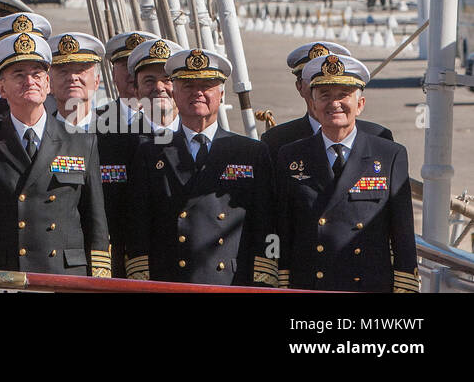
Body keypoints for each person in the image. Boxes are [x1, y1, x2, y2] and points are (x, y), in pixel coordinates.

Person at [0, 31, 111, 283]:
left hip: (64, 277)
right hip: (4, 276)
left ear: (47, 84)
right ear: (1, 87)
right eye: (19, 75)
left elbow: (96, 223)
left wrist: (99, 280)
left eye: (37, 75)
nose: (30, 81)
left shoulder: (80, 143)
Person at [125, 48, 276, 287]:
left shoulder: (250, 152)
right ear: (175, 93)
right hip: (171, 282)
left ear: (221, 93)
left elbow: (266, 224)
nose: (197, 93)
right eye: (187, 86)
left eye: (206, 85)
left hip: (232, 283)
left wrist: (264, 282)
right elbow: (138, 226)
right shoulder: (151, 153)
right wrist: (141, 281)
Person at [274, 54, 417, 292]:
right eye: (325, 96)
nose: (335, 103)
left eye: (343, 95)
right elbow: (283, 229)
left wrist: (405, 287)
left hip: (369, 286)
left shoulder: (389, 155)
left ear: (360, 105)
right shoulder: (290, 157)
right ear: (313, 104)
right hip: (310, 286)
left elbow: (403, 233)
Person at [50, 31, 148, 277]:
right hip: (54, 268)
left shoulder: (126, 139)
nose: (73, 77)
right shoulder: (36, 140)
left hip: (114, 267)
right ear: (49, 82)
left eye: (81, 71)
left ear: (96, 81)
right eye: (63, 71)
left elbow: (136, 213)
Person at [261, 41, 392, 157]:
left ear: (360, 103)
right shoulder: (277, 141)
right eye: (312, 79)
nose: (334, 103)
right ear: (299, 86)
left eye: (342, 92)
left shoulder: (379, 136)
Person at [126, 37, 185, 133]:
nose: (159, 87)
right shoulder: (119, 143)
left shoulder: (201, 138)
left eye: (167, 80)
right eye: (149, 81)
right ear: (136, 92)